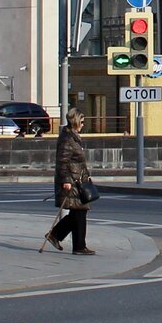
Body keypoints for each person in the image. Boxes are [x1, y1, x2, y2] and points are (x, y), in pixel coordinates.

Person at [47, 108, 95, 255]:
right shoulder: (68, 139)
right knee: (79, 211)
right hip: (73, 181)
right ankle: (77, 246)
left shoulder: (73, 137)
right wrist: (66, 180)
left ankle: (57, 236)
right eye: (81, 122)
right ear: (75, 121)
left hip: (78, 180)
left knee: (78, 212)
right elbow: (62, 162)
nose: (83, 125)